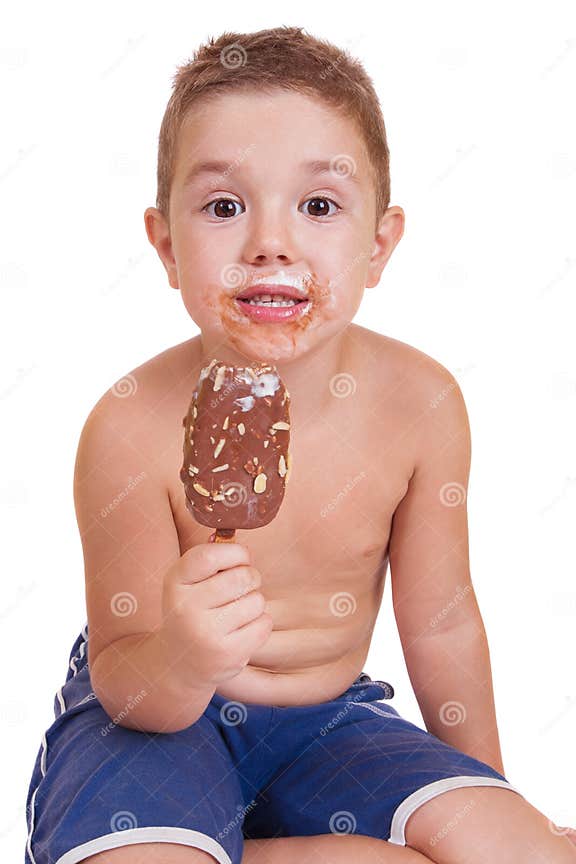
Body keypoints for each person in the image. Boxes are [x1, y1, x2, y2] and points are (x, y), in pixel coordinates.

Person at [24, 25, 576, 864]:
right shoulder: (130, 423)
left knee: (527, 853)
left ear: (379, 245)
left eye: (318, 206)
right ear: (167, 246)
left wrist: (489, 797)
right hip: (151, 719)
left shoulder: (420, 403)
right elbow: (128, 679)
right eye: (222, 207)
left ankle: (242, 846)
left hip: (330, 722)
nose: (269, 244)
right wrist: (181, 654)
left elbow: (441, 622)